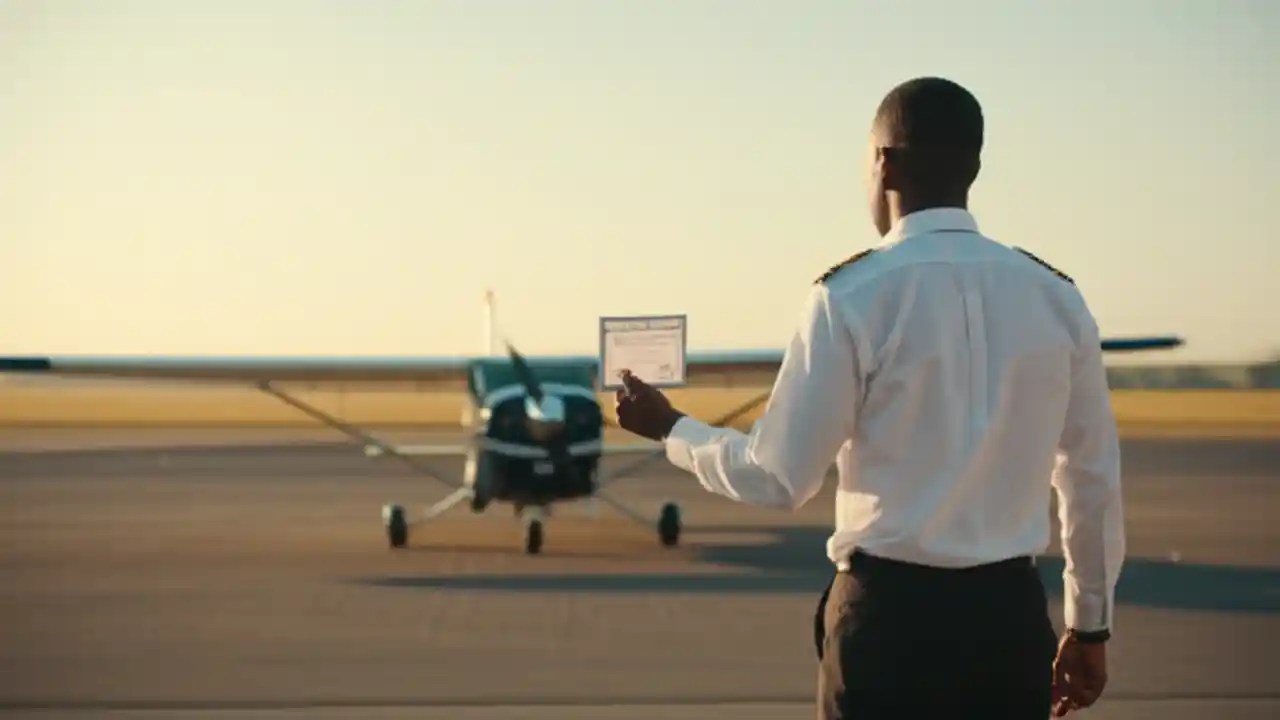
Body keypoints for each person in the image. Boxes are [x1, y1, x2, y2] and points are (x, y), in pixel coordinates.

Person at [613, 76, 1122, 718]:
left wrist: (673, 430)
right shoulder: (1056, 298)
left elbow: (778, 477)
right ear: (975, 165)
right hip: (1008, 626)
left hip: (887, 627)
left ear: (883, 161)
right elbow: (1091, 478)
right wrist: (1090, 625)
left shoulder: (848, 297)